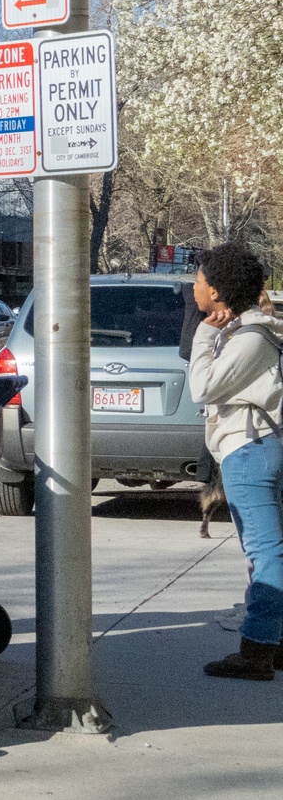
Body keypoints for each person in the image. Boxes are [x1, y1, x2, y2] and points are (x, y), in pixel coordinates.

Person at [189, 242, 283, 680]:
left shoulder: (249, 338)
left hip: (251, 450)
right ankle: (271, 640)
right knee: (262, 550)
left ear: (218, 291)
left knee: (266, 552)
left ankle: (259, 649)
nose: (195, 286)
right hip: (249, 449)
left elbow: (202, 388)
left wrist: (205, 335)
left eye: (200, 280)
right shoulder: (243, 332)